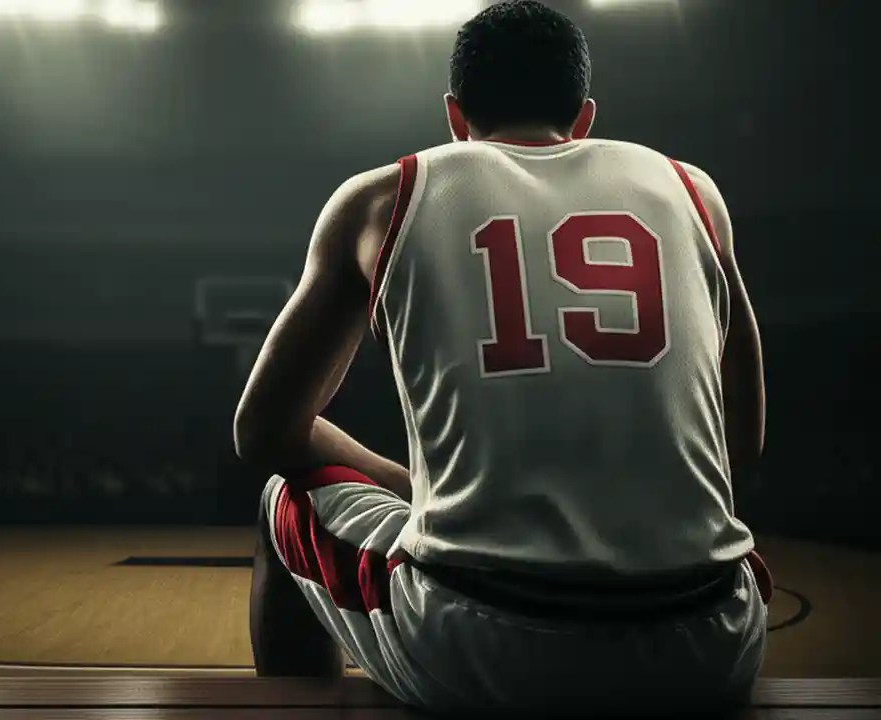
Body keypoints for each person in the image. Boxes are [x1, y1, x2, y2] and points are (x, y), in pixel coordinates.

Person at [232, 0, 770, 714]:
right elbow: (742, 446)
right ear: (584, 118)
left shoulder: (381, 199)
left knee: (281, 500)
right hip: (712, 641)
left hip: (482, 645)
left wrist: (402, 483)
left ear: (456, 118)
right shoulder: (695, 192)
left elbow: (262, 433)